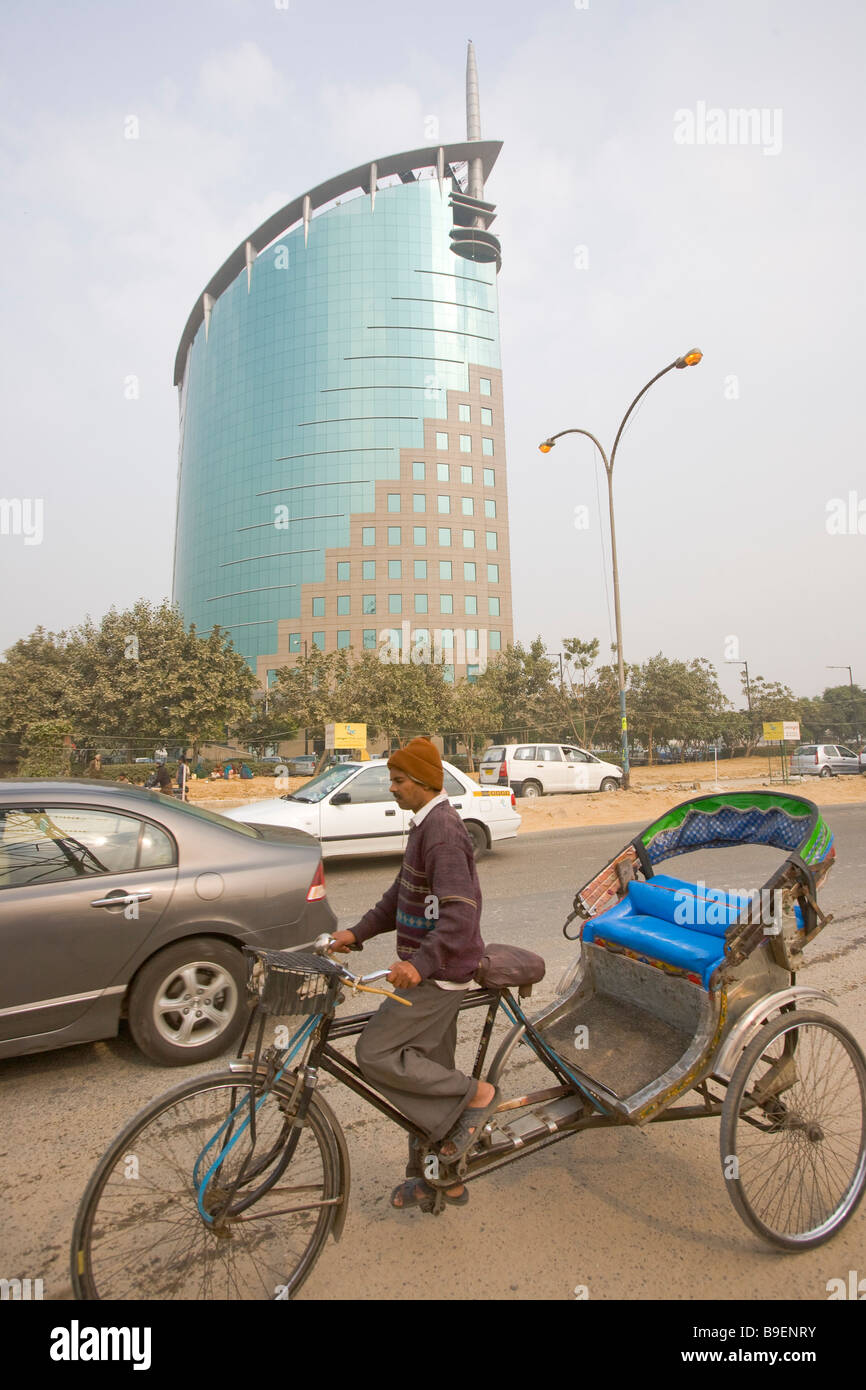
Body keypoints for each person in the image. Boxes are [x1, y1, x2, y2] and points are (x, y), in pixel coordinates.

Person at [329, 737, 497, 1213]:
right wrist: (355, 934)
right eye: (393, 780)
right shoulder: (424, 826)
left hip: (439, 978)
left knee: (376, 1052)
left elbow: (461, 917)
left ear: (424, 782)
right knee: (423, 1081)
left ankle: (476, 1097)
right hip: (431, 972)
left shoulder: (442, 831)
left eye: (399, 781)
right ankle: (441, 1181)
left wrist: (417, 964)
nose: (393, 789)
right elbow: (398, 896)